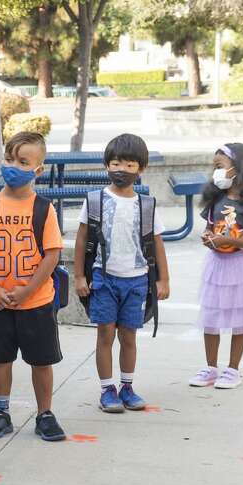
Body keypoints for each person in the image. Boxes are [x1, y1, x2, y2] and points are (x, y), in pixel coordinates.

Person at [0, 131, 67, 442]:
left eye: (22, 161)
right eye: (9, 158)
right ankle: (0, 413)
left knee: (41, 360)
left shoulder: (43, 208)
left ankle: (45, 414)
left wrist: (26, 291)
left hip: (36, 302)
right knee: (0, 359)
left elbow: (51, 255)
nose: (13, 166)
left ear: (37, 170)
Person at [73, 133, 171, 412]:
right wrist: (80, 276)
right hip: (103, 277)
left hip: (137, 279)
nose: (122, 170)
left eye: (130, 165)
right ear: (107, 165)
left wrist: (164, 279)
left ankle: (127, 386)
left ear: (141, 169)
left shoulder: (146, 204)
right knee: (105, 333)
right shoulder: (94, 200)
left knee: (129, 336)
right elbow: (82, 239)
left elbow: (157, 242)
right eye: (116, 163)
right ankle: (107, 390)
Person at [188, 142, 243, 389]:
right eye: (214, 167)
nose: (216, 172)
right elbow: (209, 227)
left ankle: (233, 370)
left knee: (239, 317)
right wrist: (209, 239)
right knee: (211, 315)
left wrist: (228, 240)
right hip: (217, 265)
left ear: (239, 168)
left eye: (220, 166)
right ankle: (210, 367)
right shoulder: (216, 198)